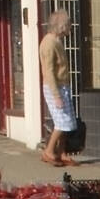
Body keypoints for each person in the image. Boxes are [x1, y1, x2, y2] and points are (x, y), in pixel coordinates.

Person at [39, 9, 76, 165]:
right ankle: (49, 151)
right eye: (68, 24)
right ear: (61, 26)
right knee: (61, 122)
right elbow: (48, 71)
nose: (70, 27)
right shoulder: (49, 43)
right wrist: (56, 95)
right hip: (55, 88)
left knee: (68, 121)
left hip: (62, 86)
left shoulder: (57, 41)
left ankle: (62, 152)